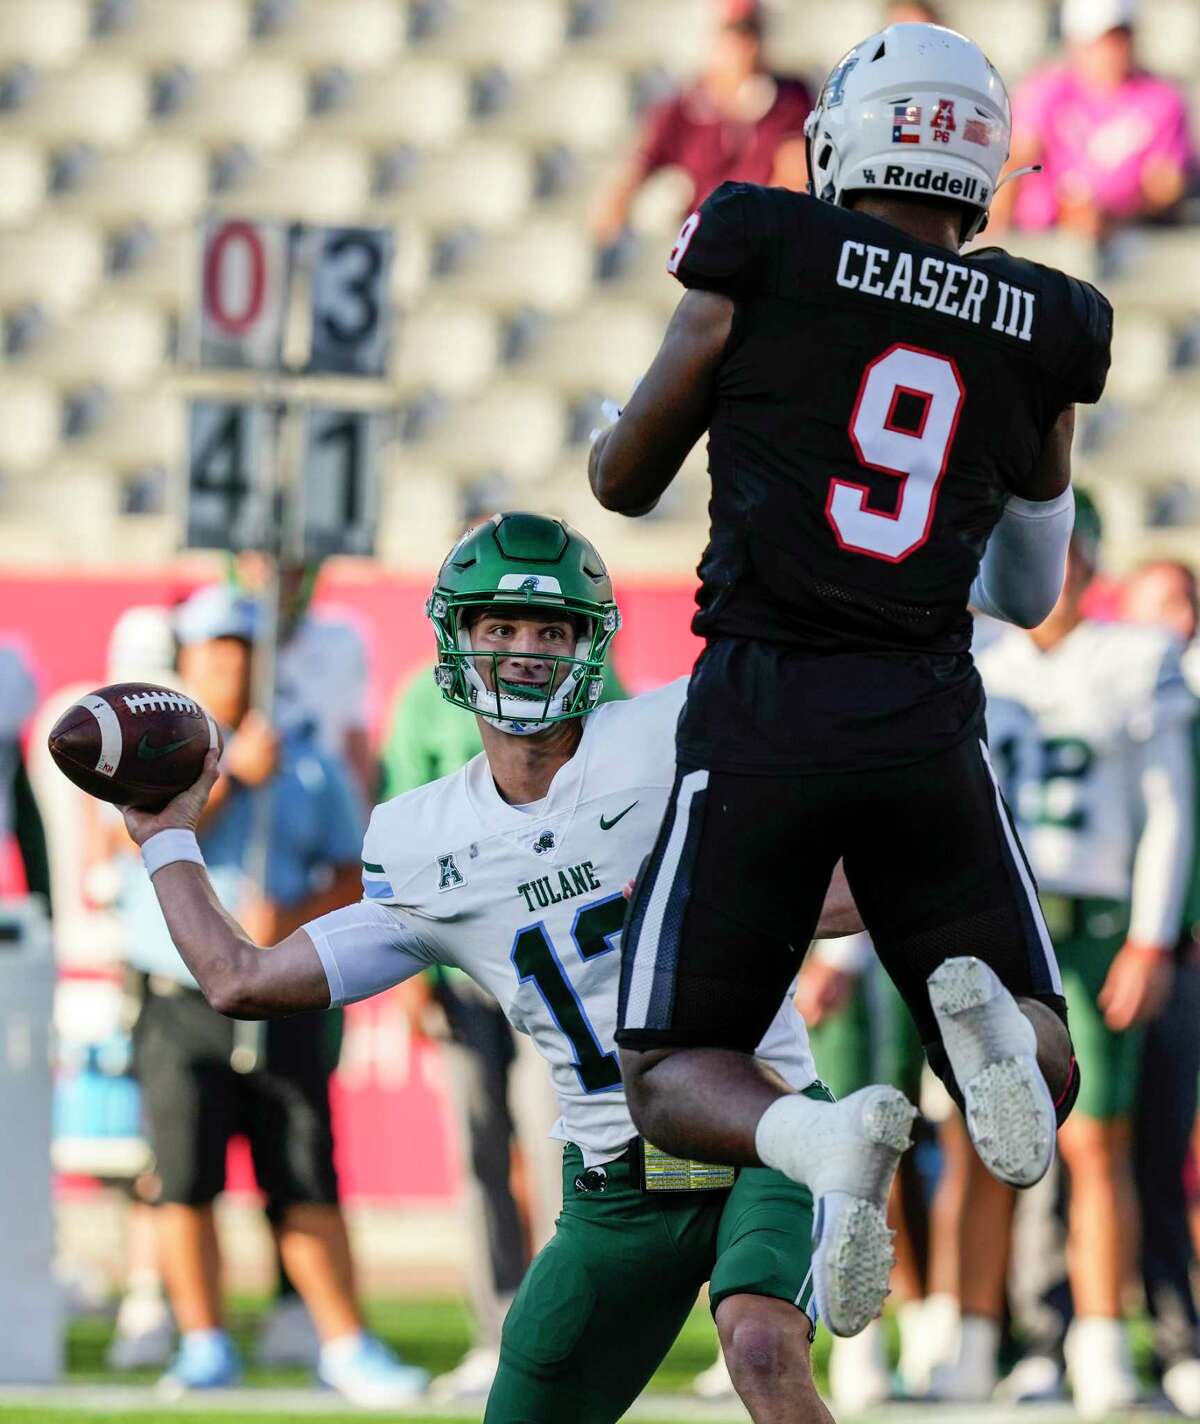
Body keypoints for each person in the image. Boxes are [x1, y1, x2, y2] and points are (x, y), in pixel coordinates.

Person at [117, 512, 900, 1424]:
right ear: (460, 640)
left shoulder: (669, 739)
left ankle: (838, 1176)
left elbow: (859, 880)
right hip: (614, 1184)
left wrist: (728, 900)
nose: (526, 649)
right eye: (501, 627)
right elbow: (238, 980)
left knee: (761, 1347)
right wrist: (167, 836)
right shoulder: (422, 842)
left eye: (551, 629)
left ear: (589, 643)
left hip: (762, 1133)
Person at [590, 18, 1114, 1338]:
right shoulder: (1047, 320)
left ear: (845, 140)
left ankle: (818, 1148)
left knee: (665, 1071)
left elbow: (623, 481)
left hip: (764, 703)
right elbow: (1029, 593)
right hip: (925, 722)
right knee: (1039, 1065)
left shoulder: (763, 243)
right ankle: (978, 1029)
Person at [119, 585, 427, 1403]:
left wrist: (290, 916)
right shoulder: (154, 754)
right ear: (185, 660)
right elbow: (146, 853)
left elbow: (353, 872)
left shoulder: (311, 754)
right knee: (182, 1178)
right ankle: (204, 1341)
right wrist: (228, 780)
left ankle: (345, 1343)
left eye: (243, 652)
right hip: (179, 994)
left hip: (278, 990)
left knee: (303, 1173)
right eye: (215, 650)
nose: (229, 665)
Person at [975, 505, 1196, 1416]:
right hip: (1006, 930)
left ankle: (1104, 1340)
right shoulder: (983, 665)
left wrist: (1148, 935)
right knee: (1005, 1144)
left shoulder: (1136, 657)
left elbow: (1170, 808)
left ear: (1090, 558)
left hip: (1100, 924)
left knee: (1100, 1143)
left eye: (1060, 554)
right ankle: (1025, 1339)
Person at [381, 649, 629, 1403]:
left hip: (551, 956)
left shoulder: (598, 679)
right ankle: (496, 1333)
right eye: (497, 620)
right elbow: (403, 812)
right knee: (479, 1151)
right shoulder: (421, 697)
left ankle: (570, 1331)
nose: (521, 640)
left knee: (564, 1147)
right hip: (463, 965)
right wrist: (412, 972)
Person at [1122, 559, 1200, 1416]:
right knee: (1089, 1155)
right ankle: (1062, 1328)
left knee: (1165, 1154)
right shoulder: (1115, 695)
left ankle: (1180, 1333)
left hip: (1177, 954)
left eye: (1175, 604)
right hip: (1110, 951)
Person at [592, 0, 811, 246]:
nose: (745, 47)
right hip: (703, 248)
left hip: (756, 245)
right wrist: (617, 214)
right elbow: (634, 170)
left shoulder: (791, 100)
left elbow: (794, 176)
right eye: (734, 34)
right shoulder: (680, 110)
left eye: (752, 32)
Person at [990, 0, 1193, 237]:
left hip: (1126, 238)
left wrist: (1112, 214)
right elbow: (1014, 163)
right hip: (1043, 235)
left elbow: (1164, 188)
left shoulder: (1163, 100)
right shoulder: (1044, 91)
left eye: (1117, 38)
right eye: (1098, 41)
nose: (1108, 51)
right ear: (1074, 43)